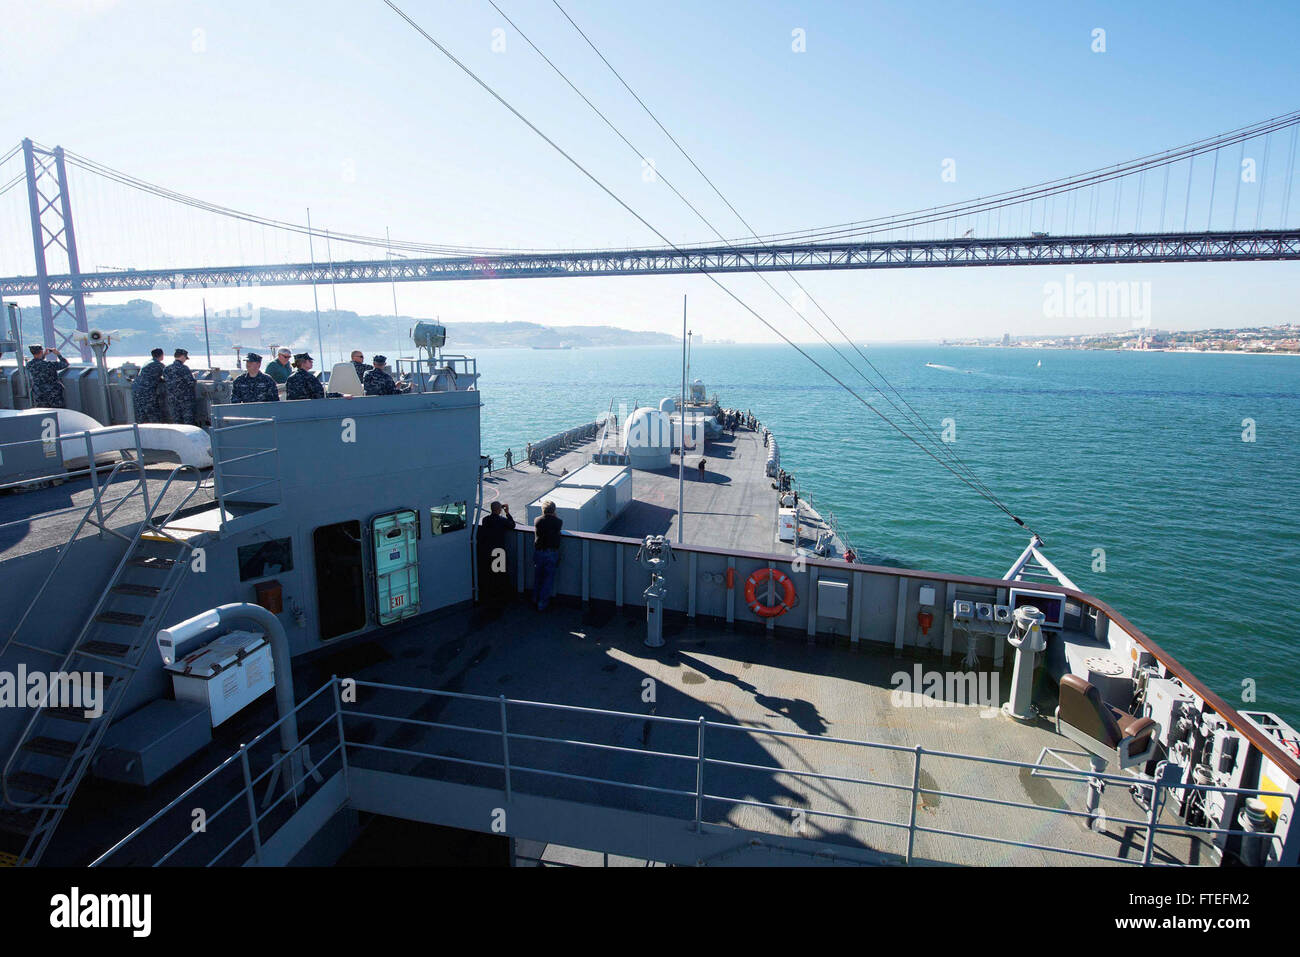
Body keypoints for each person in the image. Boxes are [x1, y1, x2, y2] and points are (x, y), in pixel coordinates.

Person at [478, 501, 517, 611]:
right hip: (498, 551)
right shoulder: (501, 520)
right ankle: (500, 597)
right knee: (500, 574)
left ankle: (490, 595)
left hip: (487, 551)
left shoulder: (485, 520)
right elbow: (512, 525)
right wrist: (507, 513)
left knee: (490, 573)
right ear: (499, 509)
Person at [532, 500, 562, 611]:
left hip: (539, 552)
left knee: (538, 577)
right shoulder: (558, 522)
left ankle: (535, 599)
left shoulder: (537, 520)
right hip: (551, 552)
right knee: (548, 579)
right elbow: (557, 525)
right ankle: (542, 603)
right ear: (554, 510)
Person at [25, 344, 68, 409]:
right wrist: (58, 354)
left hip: (39, 393)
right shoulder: (48, 364)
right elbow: (65, 364)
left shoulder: (29, 365)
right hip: (53, 393)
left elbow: (37, 362)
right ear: (41, 352)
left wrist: (43, 355)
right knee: (58, 411)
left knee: (43, 412)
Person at [131, 347, 168, 423]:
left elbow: (151, 376)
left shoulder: (146, 363)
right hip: (147, 392)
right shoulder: (158, 364)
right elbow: (169, 376)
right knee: (153, 414)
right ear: (161, 355)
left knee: (141, 414)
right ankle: (156, 431)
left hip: (137, 391)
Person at [163, 348, 197, 425]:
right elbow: (191, 383)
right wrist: (193, 377)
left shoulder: (166, 369)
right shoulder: (184, 368)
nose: (185, 360)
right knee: (188, 423)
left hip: (173, 400)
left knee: (177, 422)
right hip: (185, 400)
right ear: (182, 356)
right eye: (185, 358)